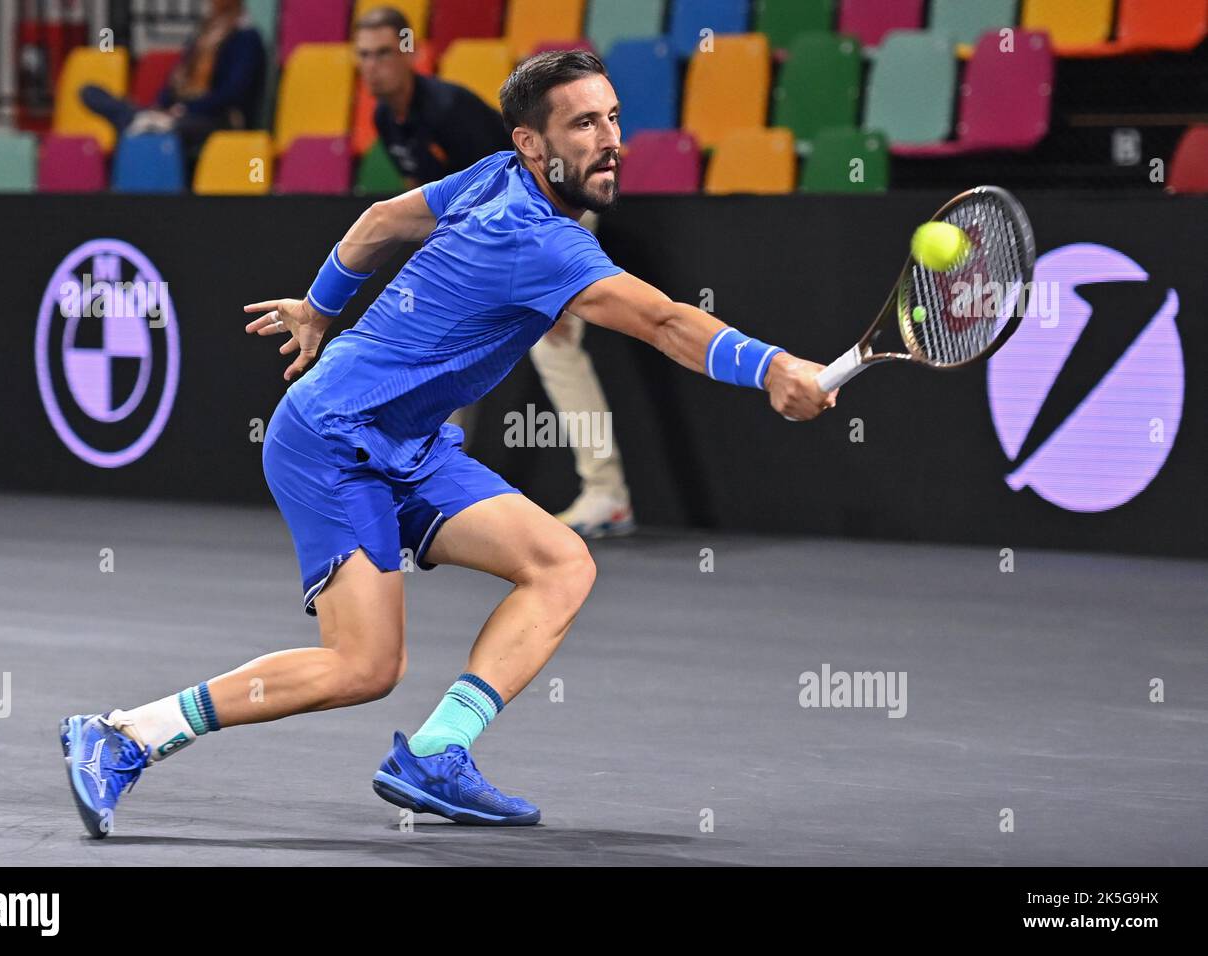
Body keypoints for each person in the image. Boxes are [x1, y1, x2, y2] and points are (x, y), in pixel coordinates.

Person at [59, 51, 836, 836]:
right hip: (329, 439)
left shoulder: (492, 174)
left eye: (612, 118)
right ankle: (125, 735)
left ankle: (436, 753)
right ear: (533, 146)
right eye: (583, 124)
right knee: (364, 667)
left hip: (411, 443)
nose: (609, 141)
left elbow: (378, 223)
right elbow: (667, 320)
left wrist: (321, 309)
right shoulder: (547, 245)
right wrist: (773, 367)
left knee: (561, 563)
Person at [356, 6, 636, 538]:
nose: (372, 67)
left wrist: (543, 287)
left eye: (384, 53)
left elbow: (521, 182)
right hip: (486, 244)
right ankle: (422, 485)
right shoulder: (385, 119)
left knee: (556, 347)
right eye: (363, 56)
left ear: (409, 53)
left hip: (549, 219)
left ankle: (607, 493)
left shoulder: (448, 109)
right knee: (452, 348)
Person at [78, 0, 264, 164]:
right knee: (90, 92)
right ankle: (147, 120)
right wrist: (162, 106)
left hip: (215, 117)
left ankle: (146, 122)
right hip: (176, 111)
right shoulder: (203, 33)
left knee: (175, 126)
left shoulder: (246, 38)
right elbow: (176, 78)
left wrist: (186, 109)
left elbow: (233, 93)